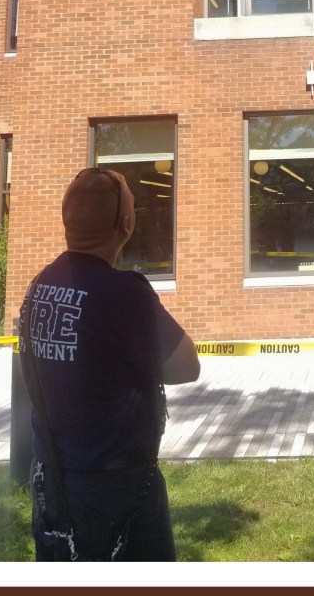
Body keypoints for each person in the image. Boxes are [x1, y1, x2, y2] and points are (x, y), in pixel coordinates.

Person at [18, 168, 200, 561]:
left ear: (67, 220)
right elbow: (186, 366)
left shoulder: (40, 285)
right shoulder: (122, 292)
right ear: (126, 223)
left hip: (52, 484)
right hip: (115, 493)